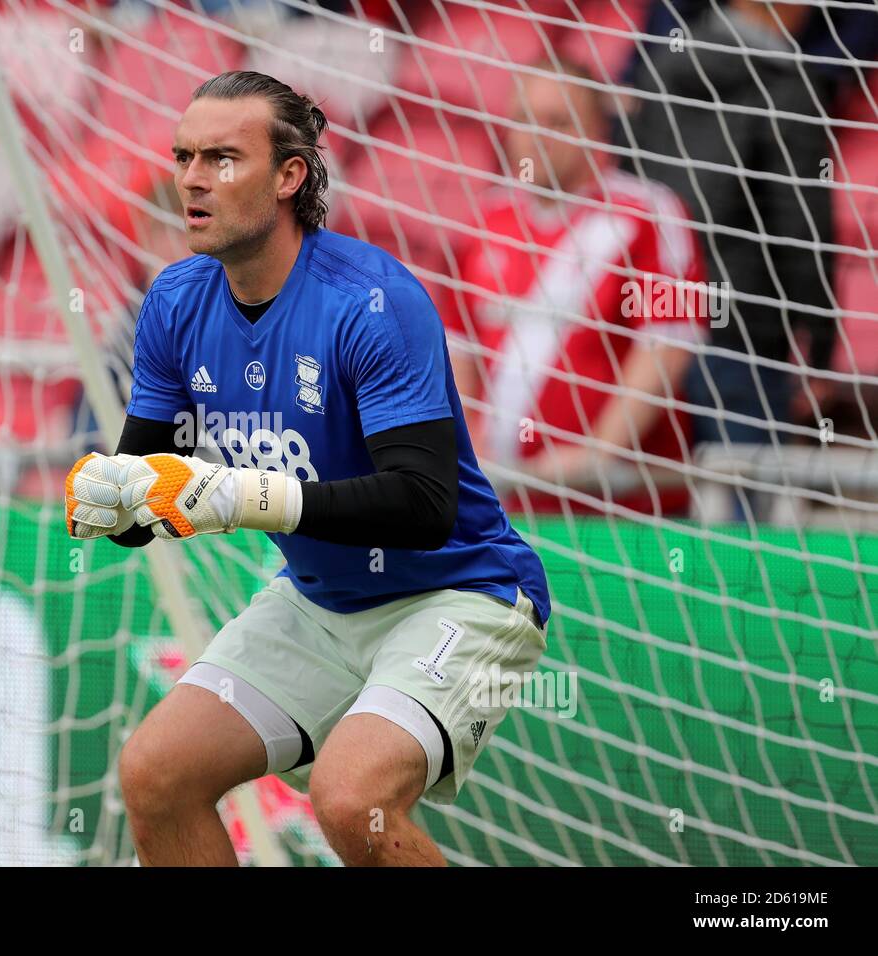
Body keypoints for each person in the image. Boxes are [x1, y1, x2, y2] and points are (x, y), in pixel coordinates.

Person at [63, 71, 550, 866]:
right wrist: (114, 497)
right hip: (320, 604)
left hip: (461, 594)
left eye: (222, 157)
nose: (191, 177)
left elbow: (424, 505)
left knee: (350, 800)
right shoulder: (175, 302)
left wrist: (243, 495)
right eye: (184, 155)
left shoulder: (372, 301)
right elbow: (147, 498)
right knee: (156, 775)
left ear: (290, 176)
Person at [449, 62, 704, 517]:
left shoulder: (651, 212)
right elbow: (456, 348)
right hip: (505, 507)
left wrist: (598, 453)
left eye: (557, 122)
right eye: (524, 120)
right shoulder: (481, 221)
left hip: (625, 508)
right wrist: (474, 452)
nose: (536, 136)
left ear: (596, 130)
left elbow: (670, 344)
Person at [620, 0, 837, 472]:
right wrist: (820, 348)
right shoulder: (787, 85)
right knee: (749, 509)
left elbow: (632, 194)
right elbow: (802, 230)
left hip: (660, 322)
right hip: (744, 331)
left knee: (657, 494)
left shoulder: (659, 72)